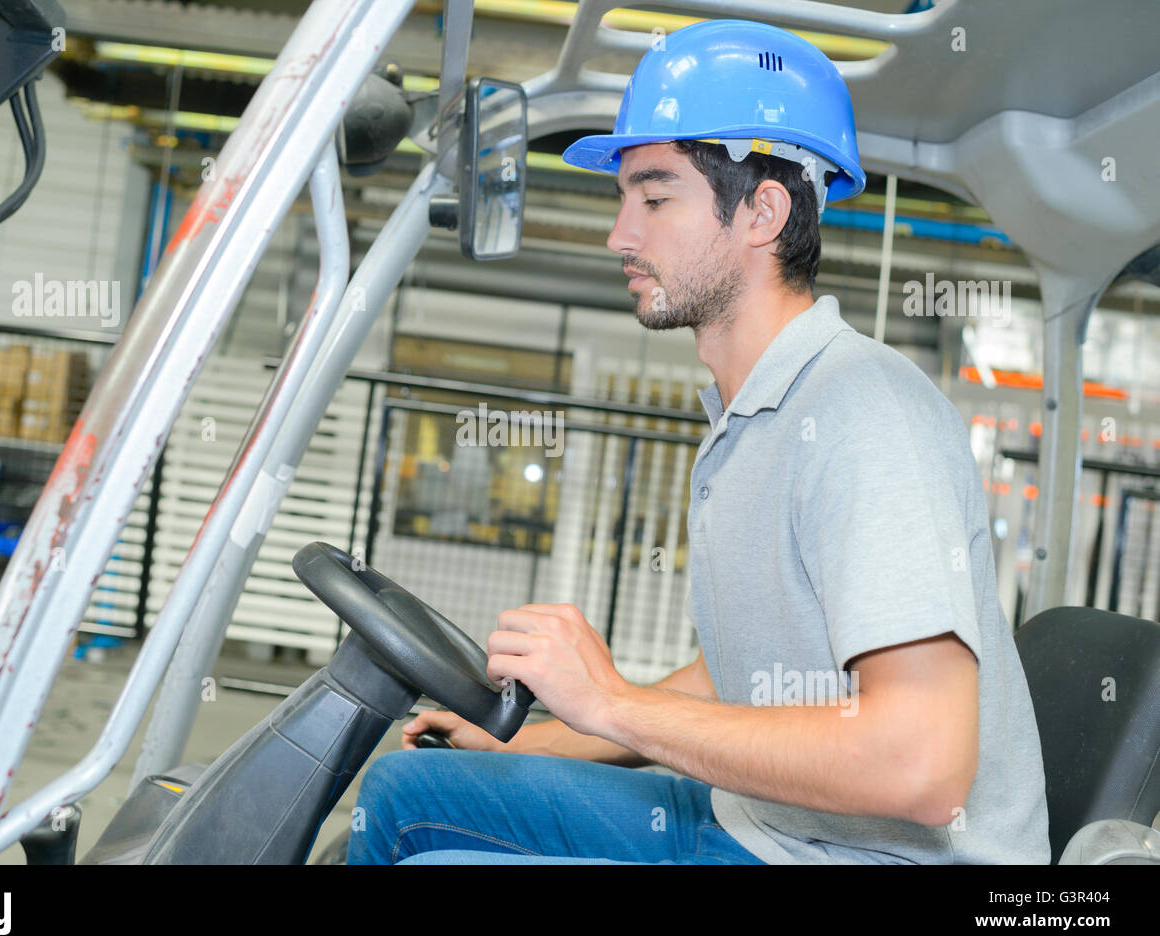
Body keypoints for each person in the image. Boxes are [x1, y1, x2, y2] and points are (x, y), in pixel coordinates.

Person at [346, 18, 1050, 865]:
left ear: (763, 211)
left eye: (654, 197)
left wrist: (611, 702)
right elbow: (755, 672)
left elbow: (923, 764)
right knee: (399, 792)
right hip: (763, 820)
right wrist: (533, 741)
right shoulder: (748, 413)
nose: (620, 235)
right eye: (624, 200)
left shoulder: (866, 415)